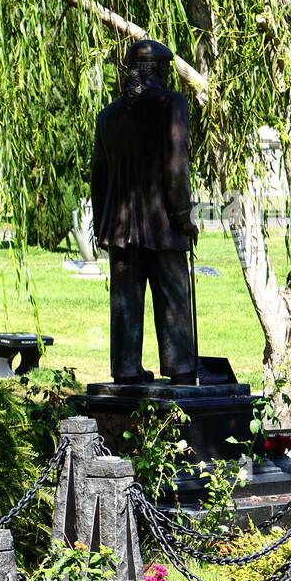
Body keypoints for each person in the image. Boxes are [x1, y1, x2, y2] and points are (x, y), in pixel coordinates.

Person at [91, 40, 199, 385]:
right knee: (172, 297)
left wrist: (101, 228)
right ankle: (179, 365)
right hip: (163, 225)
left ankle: (126, 367)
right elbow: (176, 170)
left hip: (120, 229)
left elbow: (99, 178)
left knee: (126, 302)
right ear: (159, 71)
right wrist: (184, 218)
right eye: (167, 71)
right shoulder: (171, 105)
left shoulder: (108, 116)